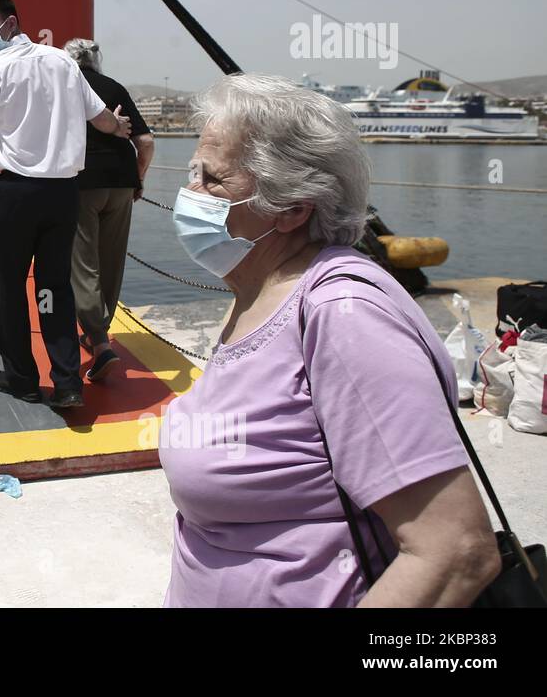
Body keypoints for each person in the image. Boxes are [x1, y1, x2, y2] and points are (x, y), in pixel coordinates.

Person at [159, 73, 499, 607]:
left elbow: (456, 552)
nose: (189, 194)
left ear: (293, 208)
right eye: (192, 173)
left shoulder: (344, 316)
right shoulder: (258, 293)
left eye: (213, 179)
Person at [0, 0, 131, 410]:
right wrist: (118, 128)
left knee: (11, 286)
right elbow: (100, 117)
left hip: (16, 194)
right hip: (62, 195)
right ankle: (67, 383)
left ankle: (22, 379)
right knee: (53, 288)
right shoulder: (64, 62)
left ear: (11, 23)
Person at [63, 38, 155, 382]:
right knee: (111, 260)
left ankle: (100, 343)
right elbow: (145, 141)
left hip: (82, 183)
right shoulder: (115, 88)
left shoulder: (67, 86)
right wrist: (139, 177)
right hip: (121, 182)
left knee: (83, 263)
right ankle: (98, 331)